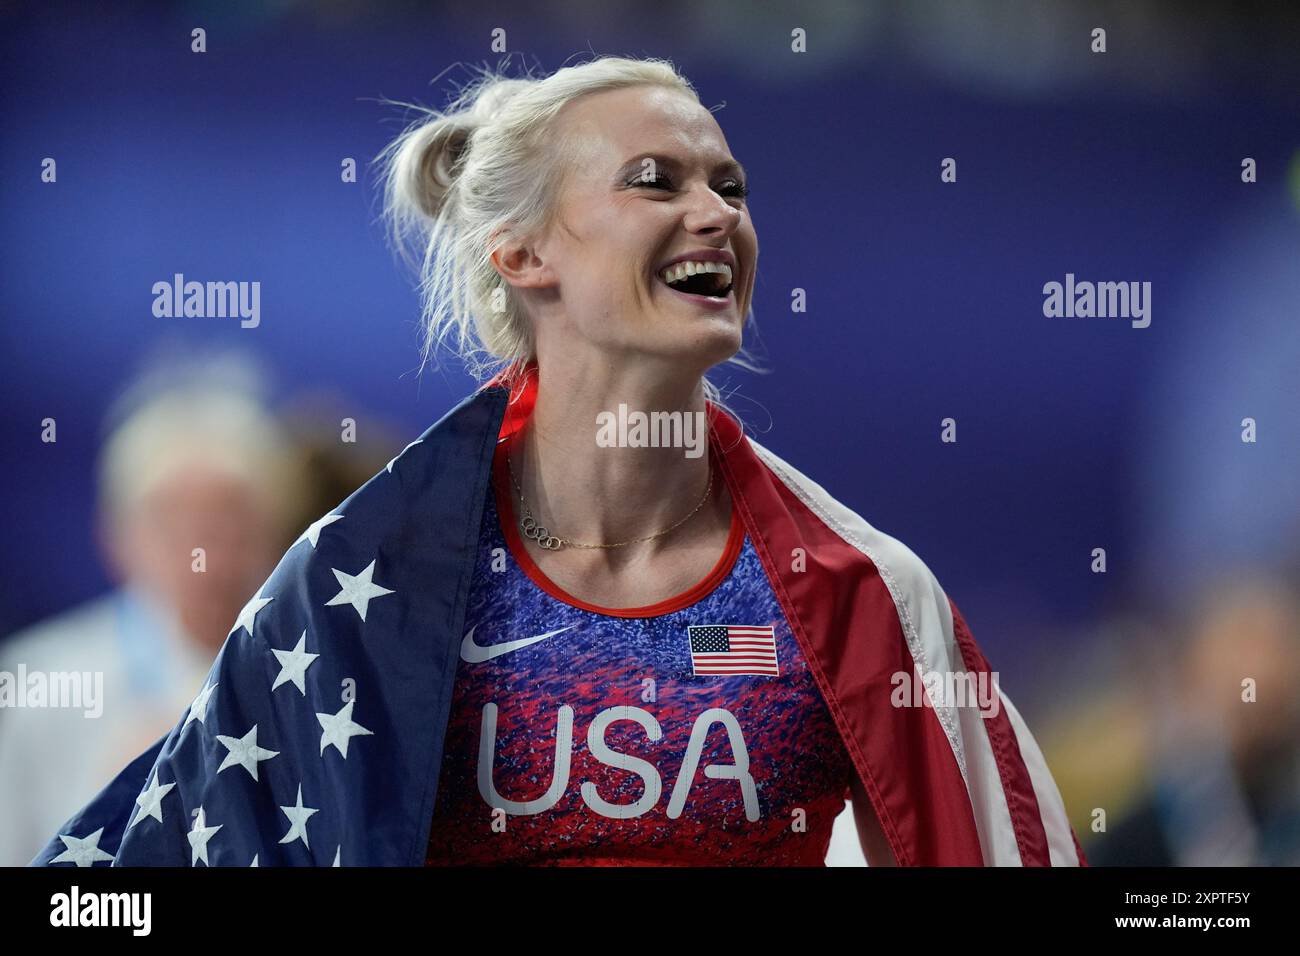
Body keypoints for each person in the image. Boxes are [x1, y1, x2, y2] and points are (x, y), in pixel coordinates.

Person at [29, 55, 1083, 867]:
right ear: (524, 253)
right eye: (654, 180)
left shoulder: (866, 597)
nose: (715, 212)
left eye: (729, 183)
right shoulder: (360, 583)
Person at [0, 361, 295, 865]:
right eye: (172, 517)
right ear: (117, 536)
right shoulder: (37, 684)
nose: (206, 544)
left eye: (231, 512)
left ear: (274, 524)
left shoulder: (311, 667)